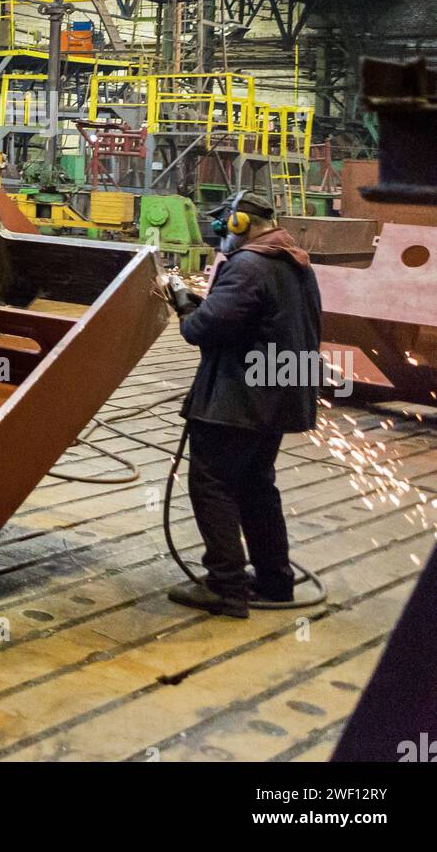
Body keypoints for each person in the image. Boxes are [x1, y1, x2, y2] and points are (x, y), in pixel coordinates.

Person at [167, 190, 322, 619]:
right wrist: (207, 306)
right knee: (257, 487)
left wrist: (185, 310)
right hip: (277, 396)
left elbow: (203, 331)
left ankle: (226, 588)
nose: (222, 234)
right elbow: (256, 319)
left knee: (213, 484)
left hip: (239, 401)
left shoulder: (248, 265)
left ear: (241, 223)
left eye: (225, 225)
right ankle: (275, 582)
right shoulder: (295, 261)